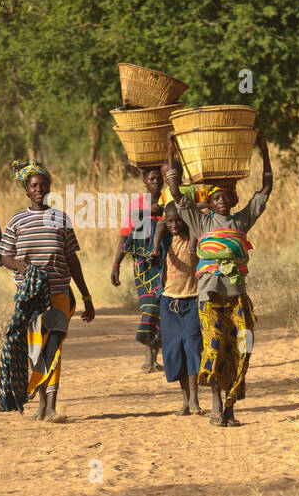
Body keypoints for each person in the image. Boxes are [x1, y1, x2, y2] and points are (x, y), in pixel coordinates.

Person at [163, 129, 273, 427]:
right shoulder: (200, 221)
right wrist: (171, 148)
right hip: (209, 296)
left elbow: (266, 188)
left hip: (236, 294)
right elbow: (175, 191)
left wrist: (263, 148)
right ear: (210, 202)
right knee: (213, 349)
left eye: (226, 196)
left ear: (234, 199)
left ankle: (231, 407)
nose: (222, 200)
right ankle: (215, 405)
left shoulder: (242, 220)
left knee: (241, 348)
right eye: (217, 196)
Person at [0, 160, 96, 422]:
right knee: (35, 350)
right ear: (27, 191)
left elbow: (72, 260)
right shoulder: (17, 220)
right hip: (29, 298)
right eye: (34, 186)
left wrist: (86, 296)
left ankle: (51, 406)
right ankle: (40, 403)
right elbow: (4, 257)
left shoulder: (60, 219)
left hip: (59, 292)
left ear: (49, 188)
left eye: (43, 185)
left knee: (53, 345)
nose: (39, 189)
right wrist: (18, 264)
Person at [111, 166, 166, 372]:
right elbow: (125, 236)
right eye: (152, 178)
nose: (156, 182)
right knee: (149, 309)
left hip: (165, 265)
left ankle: (154, 358)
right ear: (144, 180)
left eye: (159, 178)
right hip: (142, 266)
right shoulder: (137, 204)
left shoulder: (169, 201)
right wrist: (116, 264)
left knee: (162, 311)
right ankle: (148, 355)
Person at [151, 201, 203, 414]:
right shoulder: (164, 241)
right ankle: (185, 400)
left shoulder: (195, 237)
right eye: (170, 220)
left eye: (178, 220)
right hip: (169, 302)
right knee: (174, 351)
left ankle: (195, 400)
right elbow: (160, 226)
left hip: (192, 300)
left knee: (192, 348)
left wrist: (190, 212)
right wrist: (155, 247)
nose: (173, 224)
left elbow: (202, 213)